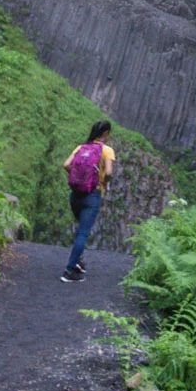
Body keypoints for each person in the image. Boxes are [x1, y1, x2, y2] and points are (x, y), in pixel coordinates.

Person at [59, 120, 115, 283]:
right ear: (106, 134)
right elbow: (109, 172)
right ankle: (69, 271)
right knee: (83, 233)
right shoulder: (107, 150)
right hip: (92, 196)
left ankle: (78, 261)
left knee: (80, 230)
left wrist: (78, 178)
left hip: (75, 195)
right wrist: (104, 182)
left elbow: (66, 164)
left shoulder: (81, 148)